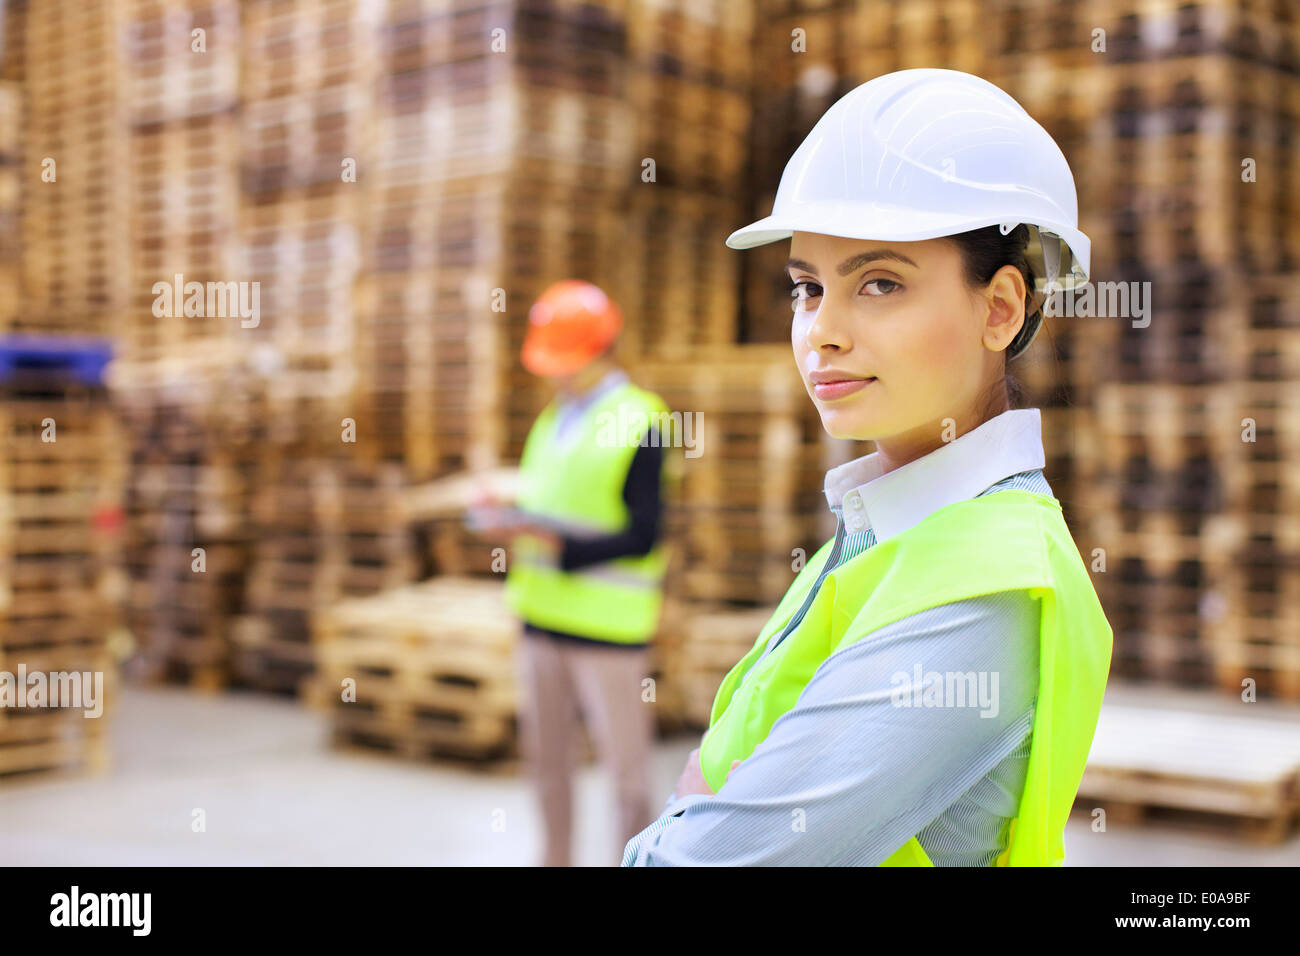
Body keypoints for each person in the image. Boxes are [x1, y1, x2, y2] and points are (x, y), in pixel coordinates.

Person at [622, 68, 1113, 866]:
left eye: (879, 283)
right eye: (807, 288)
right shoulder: (885, 531)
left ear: (1001, 309)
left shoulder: (988, 584)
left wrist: (689, 810)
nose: (822, 331)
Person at [476, 279, 672, 867]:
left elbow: (645, 534)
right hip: (540, 619)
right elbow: (549, 498)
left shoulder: (643, 420)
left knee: (626, 778)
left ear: (603, 349)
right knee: (547, 765)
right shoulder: (554, 418)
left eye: (568, 362)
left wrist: (553, 542)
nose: (558, 375)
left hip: (608, 630)